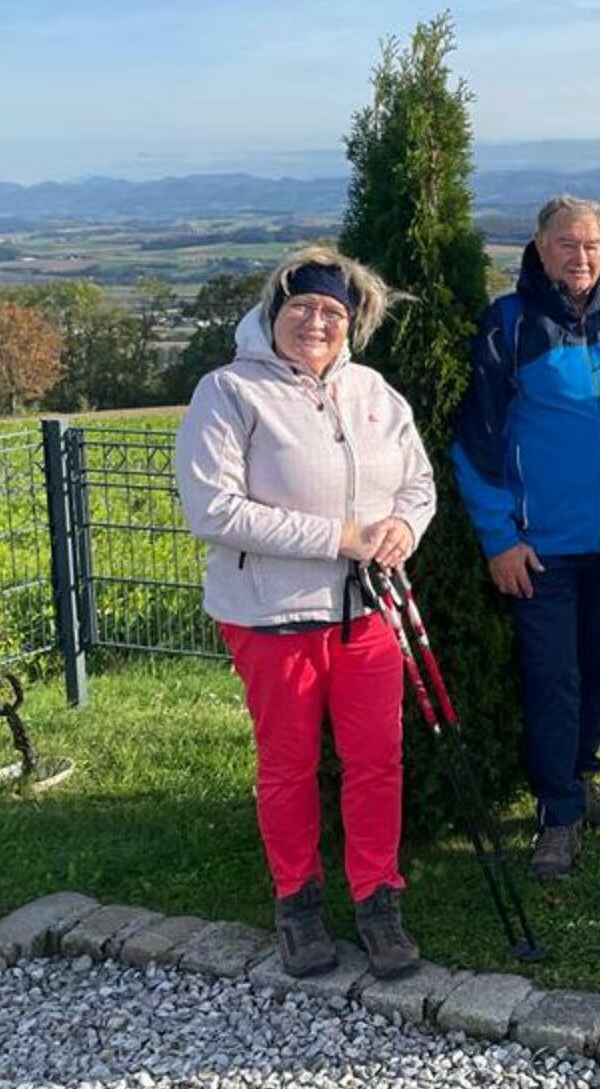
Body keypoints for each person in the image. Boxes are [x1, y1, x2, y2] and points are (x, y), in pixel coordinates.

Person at [174, 246, 435, 979]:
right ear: (273, 312)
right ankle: (298, 902)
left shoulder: (374, 391)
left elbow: (417, 483)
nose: (317, 322)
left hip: (368, 609)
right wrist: (339, 538)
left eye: (332, 311)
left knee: (376, 761)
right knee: (288, 766)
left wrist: (403, 528)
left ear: (351, 321)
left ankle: (378, 899)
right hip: (272, 615)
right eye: (302, 308)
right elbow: (215, 510)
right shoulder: (228, 392)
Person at [450, 195, 600, 881]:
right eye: (566, 244)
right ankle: (557, 816)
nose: (580, 257)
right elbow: (475, 443)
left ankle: (579, 782)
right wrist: (498, 538)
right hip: (542, 545)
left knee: (598, 667)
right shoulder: (509, 324)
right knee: (552, 677)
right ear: (539, 244)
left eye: (591, 245)